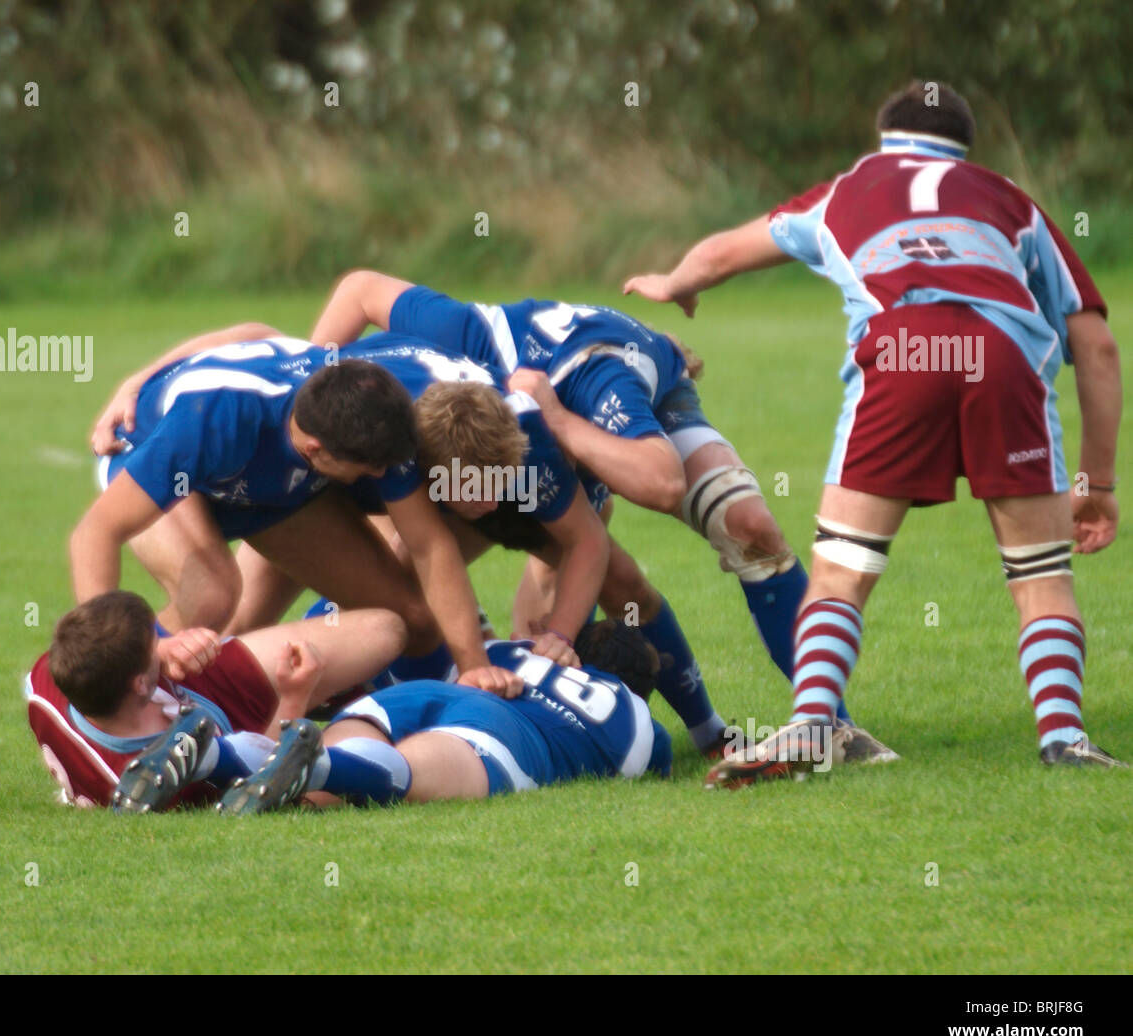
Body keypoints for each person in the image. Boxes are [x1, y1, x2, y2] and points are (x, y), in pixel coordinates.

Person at [623, 79, 1125, 783]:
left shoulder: (847, 189)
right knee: (1040, 573)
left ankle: (811, 724)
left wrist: (676, 281)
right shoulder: (1008, 196)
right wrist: (1097, 483)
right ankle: (1066, 736)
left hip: (903, 350)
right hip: (1004, 353)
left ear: (883, 138)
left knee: (841, 570)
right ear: (962, 148)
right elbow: (1097, 347)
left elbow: (725, 253)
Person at [307, 270, 892, 759]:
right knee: (404, 561)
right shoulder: (460, 337)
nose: (483, 504)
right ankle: (337, 685)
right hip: (498, 437)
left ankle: (794, 726)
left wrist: (559, 421)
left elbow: (663, 484)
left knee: (735, 535)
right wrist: (317, 384)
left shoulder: (596, 385)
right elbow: (360, 288)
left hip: (604, 409)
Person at [79, 328, 520, 696]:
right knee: (211, 594)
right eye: (371, 470)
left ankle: (255, 708)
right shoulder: (216, 419)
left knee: (414, 622)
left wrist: (473, 665)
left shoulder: (374, 417)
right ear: (317, 451)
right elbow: (95, 532)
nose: (386, 476)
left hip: (268, 490)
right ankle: (97, 690)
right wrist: (103, 645)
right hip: (158, 459)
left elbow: (428, 545)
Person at [216, 620, 673, 814]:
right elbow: (660, 763)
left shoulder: (510, 651)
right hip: (504, 733)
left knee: (313, 804)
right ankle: (314, 768)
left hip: (430, 694)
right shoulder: (637, 718)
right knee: (394, 773)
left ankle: (214, 754)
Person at [24, 590, 408, 809]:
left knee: (385, 631)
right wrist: (294, 697)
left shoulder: (55, 672)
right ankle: (341, 703)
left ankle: (335, 690)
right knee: (352, 767)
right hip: (248, 742)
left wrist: (169, 650)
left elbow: (37, 681)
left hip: (205, 692)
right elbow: (269, 776)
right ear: (139, 684)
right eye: (153, 643)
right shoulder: (163, 778)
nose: (161, 641)